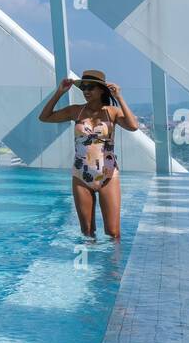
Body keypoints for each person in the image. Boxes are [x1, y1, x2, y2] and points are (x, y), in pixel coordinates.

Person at [38, 69, 138, 241]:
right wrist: (59, 92)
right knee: (87, 233)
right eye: (83, 87)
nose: (86, 91)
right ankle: (90, 267)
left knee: (113, 233)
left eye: (90, 87)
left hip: (108, 174)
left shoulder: (112, 112)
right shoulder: (75, 111)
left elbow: (133, 126)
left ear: (101, 90)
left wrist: (120, 97)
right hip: (81, 176)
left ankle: (112, 268)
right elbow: (44, 117)